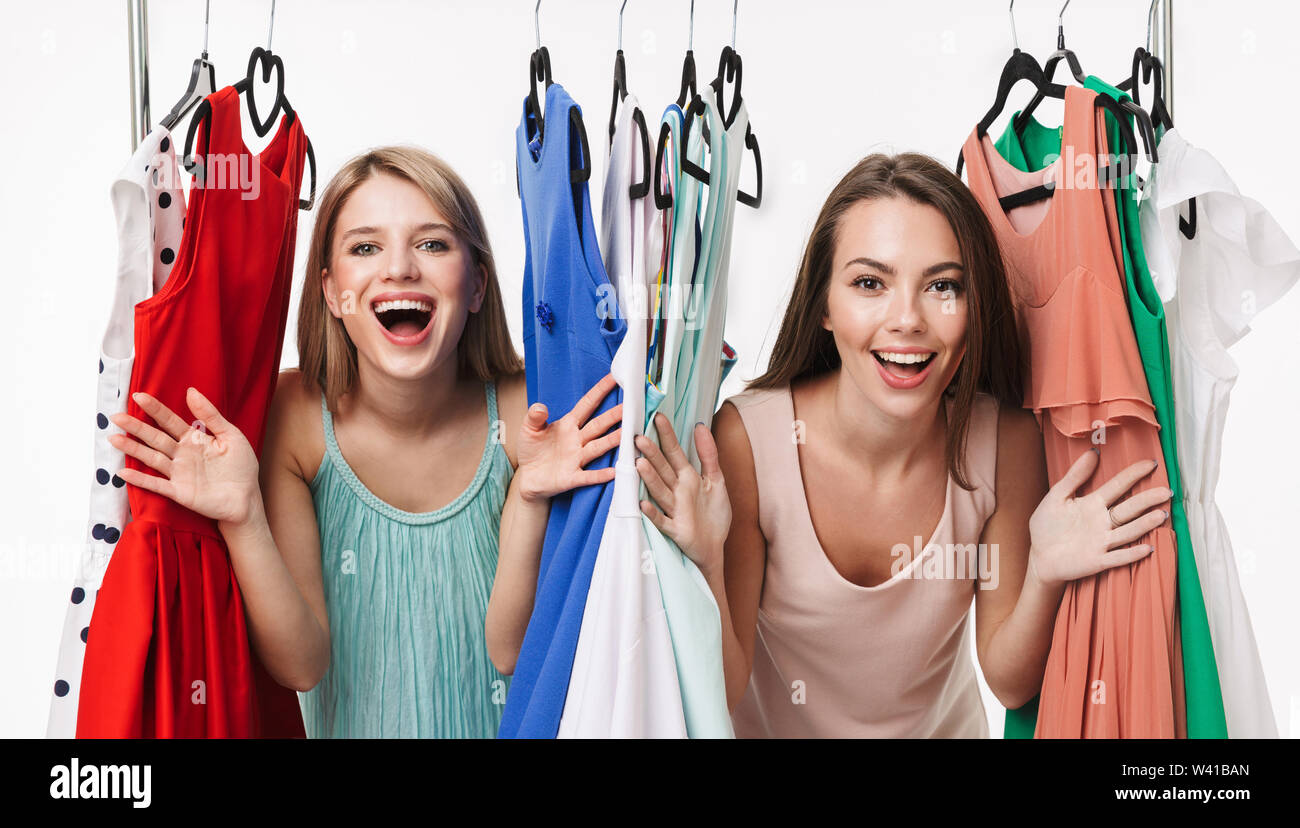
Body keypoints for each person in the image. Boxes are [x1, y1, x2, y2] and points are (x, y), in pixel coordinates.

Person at [632, 152, 1172, 737]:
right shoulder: (749, 441)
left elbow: (1008, 681)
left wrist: (1044, 570)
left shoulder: (1004, 442)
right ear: (824, 308)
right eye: (870, 283)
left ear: (973, 309)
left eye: (942, 286)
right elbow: (724, 687)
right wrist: (708, 560)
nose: (908, 319)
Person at [107, 146, 621, 738]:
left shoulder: (529, 413)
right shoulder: (295, 419)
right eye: (365, 247)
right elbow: (303, 662)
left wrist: (529, 496)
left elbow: (514, 655)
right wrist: (243, 515)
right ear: (332, 293)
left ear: (477, 285)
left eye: (432, 243)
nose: (399, 268)